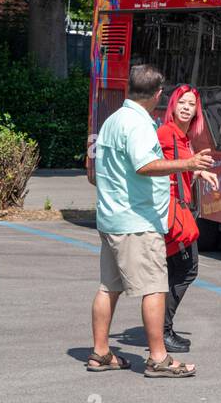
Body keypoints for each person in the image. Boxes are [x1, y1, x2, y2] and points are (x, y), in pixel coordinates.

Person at [88, 64, 214, 378]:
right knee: (155, 288)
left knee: (109, 288)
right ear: (158, 95)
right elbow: (145, 165)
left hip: (111, 218)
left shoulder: (114, 120)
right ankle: (158, 359)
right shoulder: (139, 124)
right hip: (136, 222)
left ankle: (101, 353)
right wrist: (188, 162)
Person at [156, 84, 219, 354]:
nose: (186, 107)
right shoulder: (165, 133)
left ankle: (161, 329)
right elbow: (153, 169)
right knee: (185, 269)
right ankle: (162, 332)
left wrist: (196, 172)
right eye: (181, 102)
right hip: (172, 214)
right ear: (172, 105)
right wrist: (191, 166)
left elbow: (178, 168)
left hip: (180, 211)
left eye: (191, 104)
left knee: (177, 271)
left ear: (196, 111)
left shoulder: (182, 137)